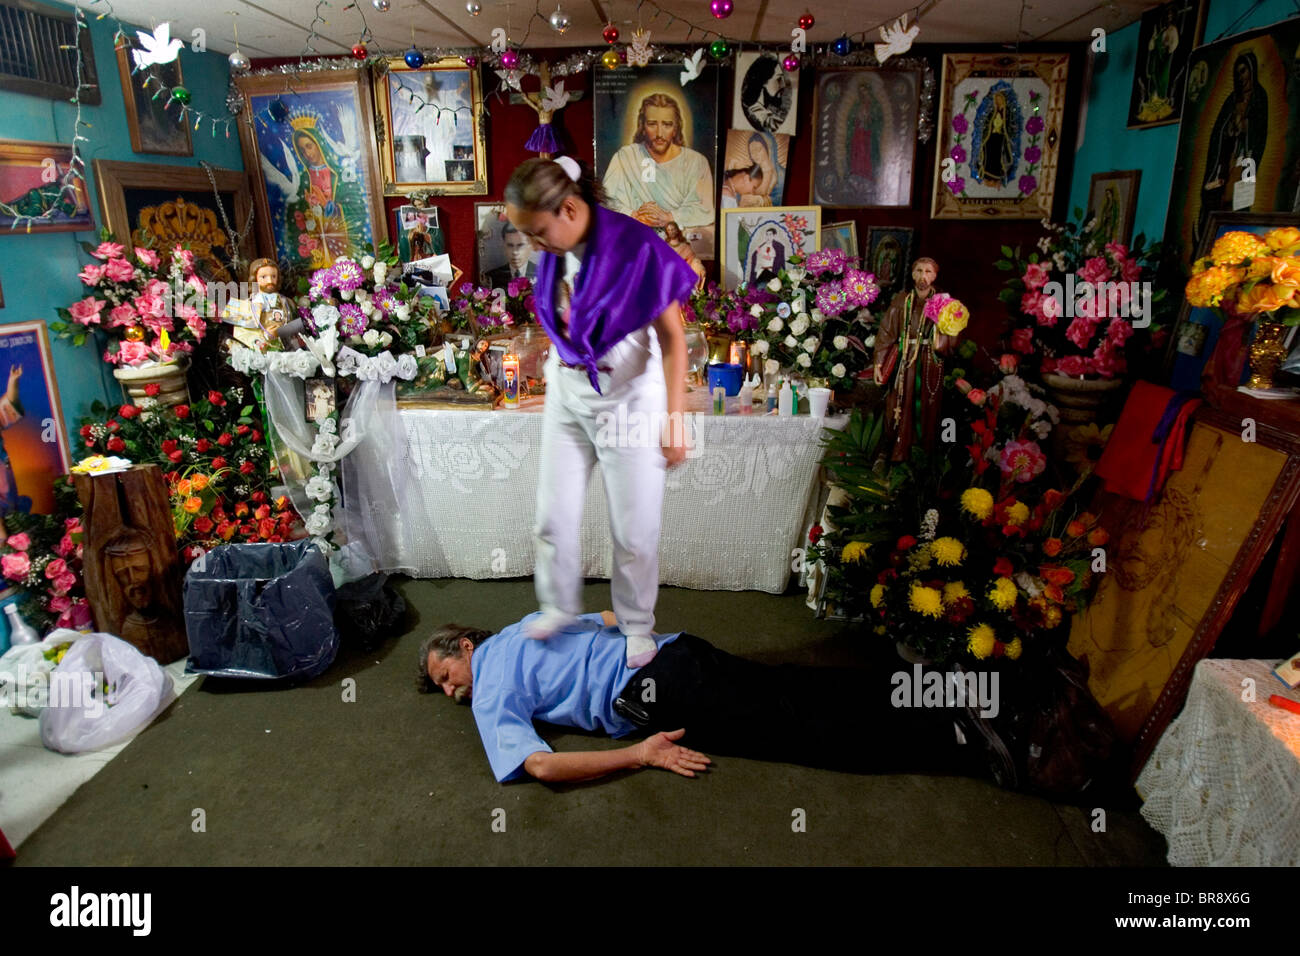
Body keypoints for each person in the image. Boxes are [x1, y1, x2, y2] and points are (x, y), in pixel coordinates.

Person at [416, 611, 1010, 787]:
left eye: (445, 675)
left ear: (467, 646)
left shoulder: (490, 691)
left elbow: (540, 765)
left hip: (656, 693)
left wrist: (640, 755)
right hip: (677, 652)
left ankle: (960, 740)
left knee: (801, 728)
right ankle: (948, 690)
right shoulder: (527, 624)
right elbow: (606, 614)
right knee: (799, 686)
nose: (450, 692)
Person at [504, 157, 695, 668]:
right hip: (568, 391)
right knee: (552, 513)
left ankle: (636, 624)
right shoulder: (554, 246)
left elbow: (674, 340)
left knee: (633, 529)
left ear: (568, 208)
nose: (533, 247)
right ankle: (558, 605)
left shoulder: (635, 248)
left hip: (628, 396)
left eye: (538, 233)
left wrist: (675, 419)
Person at [602, 93, 715, 257]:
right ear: (642, 125)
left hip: (680, 253)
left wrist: (670, 217)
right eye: (652, 124)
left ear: (676, 127)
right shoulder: (625, 158)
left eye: (667, 124)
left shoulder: (696, 162)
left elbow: (705, 209)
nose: (659, 133)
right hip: (635, 252)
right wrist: (634, 214)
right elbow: (606, 201)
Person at [873, 257, 957, 462]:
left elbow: (952, 337)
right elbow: (886, 332)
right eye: (919, 271)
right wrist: (879, 363)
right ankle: (894, 453)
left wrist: (940, 335)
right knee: (898, 405)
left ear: (935, 276)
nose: (923, 276)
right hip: (905, 362)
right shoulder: (902, 301)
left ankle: (922, 456)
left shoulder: (944, 304)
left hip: (929, 364)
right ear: (912, 275)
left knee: (926, 409)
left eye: (928, 272)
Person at [740, 55, 793, 133]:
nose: (783, 84)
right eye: (779, 79)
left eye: (783, 79)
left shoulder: (770, 104)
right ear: (764, 81)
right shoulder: (755, 111)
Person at [484, 221, 537, 289]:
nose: (515, 252)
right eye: (510, 245)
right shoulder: (491, 277)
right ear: (503, 246)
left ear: (530, 246)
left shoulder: (543, 275)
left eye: (520, 245)